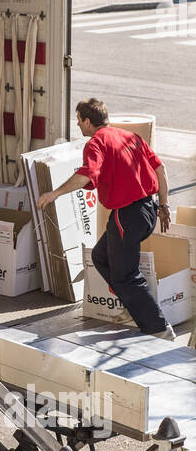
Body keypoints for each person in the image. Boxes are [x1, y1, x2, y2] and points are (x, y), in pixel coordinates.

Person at [36, 98, 175, 340]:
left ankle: (159, 328)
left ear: (88, 122)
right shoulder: (131, 137)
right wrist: (164, 205)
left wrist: (54, 193)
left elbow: (86, 174)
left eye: (79, 120)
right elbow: (160, 170)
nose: (78, 125)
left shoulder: (96, 143)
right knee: (101, 257)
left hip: (127, 215)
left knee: (125, 275)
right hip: (147, 211)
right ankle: (134, 308)